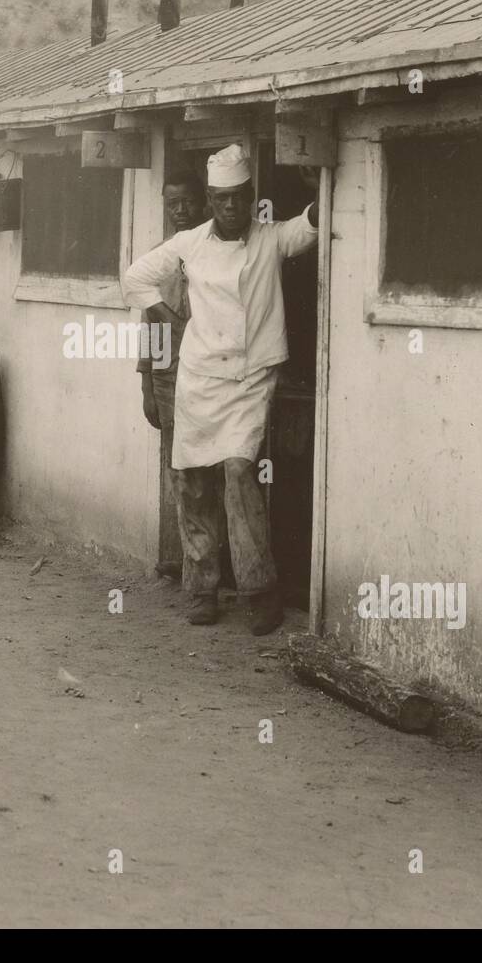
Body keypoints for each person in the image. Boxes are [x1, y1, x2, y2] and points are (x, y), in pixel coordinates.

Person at [122, 143, 319, 635]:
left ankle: (259, 590)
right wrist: (171, 319)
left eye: (239, 198)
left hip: (251, 379)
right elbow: (136, 277)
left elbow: (313, 223)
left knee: (237, 473)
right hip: (199, 378)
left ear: (252, 196)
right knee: (192, 483)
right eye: (221, 199)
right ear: (210, 200)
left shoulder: (272, 239)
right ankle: (202, 589)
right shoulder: (190, 243)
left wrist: (318, 181)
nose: (230, 208)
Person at [136, 170, 205, 578]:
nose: (180, 211)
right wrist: (147, 384)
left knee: (212, 469)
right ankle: (188, 563)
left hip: (211, 376)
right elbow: (151, 325)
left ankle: (219, 565)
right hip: (167, 379)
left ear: (203, 202)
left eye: (187, 202)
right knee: (180, 472)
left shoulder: (217, 253)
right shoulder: (158, 258)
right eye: (172, 204)